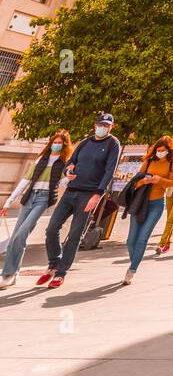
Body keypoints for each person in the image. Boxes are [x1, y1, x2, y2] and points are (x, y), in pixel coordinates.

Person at [38, 114, 121, 289]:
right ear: (95, 124)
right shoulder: (85, 142)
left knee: (75, 234)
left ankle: (61, 273)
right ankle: (54, 263)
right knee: (51, 228)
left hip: (89, 194)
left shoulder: (113, 144)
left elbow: (109, 171)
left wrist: (97, 195)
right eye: (100, 124)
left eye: (106, 125)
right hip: (71, 191)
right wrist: (68, 170)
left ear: (111, 127)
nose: (102, 127)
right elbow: (71, 161)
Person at [1, 130, 72, 288]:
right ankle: (10, 274)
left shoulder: (63, 163)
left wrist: (70, 177)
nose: (56, 145)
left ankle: (9, 274)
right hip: (29, 198)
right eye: (54, 142)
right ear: (50, 143)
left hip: (43, 199)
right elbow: (25, 181)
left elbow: (63, 183)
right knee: (17, 237)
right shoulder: (41, 159)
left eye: (60, 143)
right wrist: (8, 202)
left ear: (64, 145)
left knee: (21, 233)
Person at [121, 135, 173, 284]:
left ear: (168, 150)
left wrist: (160, 180)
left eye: (163, 150)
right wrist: (144, 181)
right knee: (130, 240)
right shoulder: (148, 161)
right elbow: (136, 182)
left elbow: (172, 182)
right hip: (140, 202)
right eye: (158, 150)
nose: (160, 152)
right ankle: (135, 261)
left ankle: (132, 269)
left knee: (142, 238)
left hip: (157, 204)